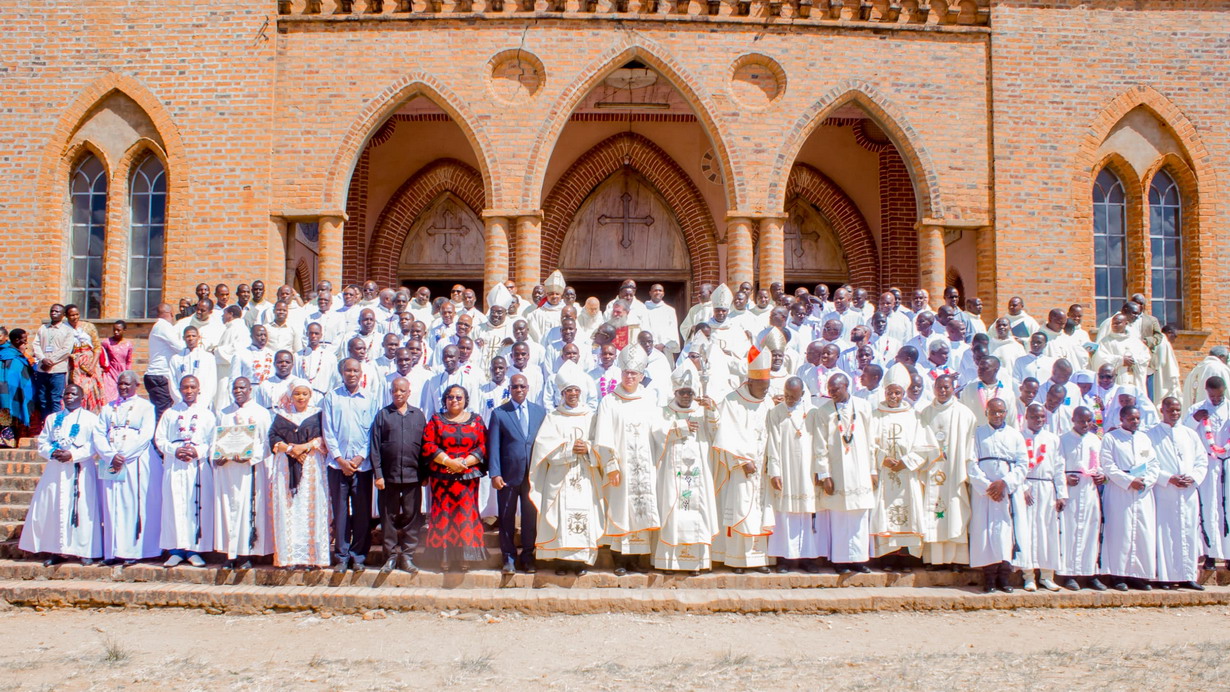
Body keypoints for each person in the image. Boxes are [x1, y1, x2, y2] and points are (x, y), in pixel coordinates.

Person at [529, 362, 605, 575]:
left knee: (584, 514)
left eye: (576, 390)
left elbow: (600, 443)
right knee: (561, 516)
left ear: (581, 392)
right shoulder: (553, 417)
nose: (572, 394)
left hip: (585, 474)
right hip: (560, 476)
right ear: (562, 393)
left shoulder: (591, 416)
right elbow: (543, 448)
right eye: (568, 390)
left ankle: (580, 562)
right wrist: (570, 449)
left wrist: (588, 448)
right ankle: (561, 561)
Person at [593, 346, 664, 575]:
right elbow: (603, 436)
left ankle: (636, 560)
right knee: (621, 509)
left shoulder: (648, 399)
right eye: (626, 373)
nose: (629, 377)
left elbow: (659, 430)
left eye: (634, 373)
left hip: (644, 466)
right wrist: (611, 466)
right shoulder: (610, 401)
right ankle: (620, 560)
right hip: (621, 468)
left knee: (641, 508)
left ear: (642, 376)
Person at [711, 335, 777, 574]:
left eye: (767, 385)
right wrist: (741, 461)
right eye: (762, 386)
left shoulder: (767, 401)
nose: (765, 390)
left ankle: (760, 559)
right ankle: (737, 560)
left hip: (763, 466)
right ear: (749, 381)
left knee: (761, 511)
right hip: (741, 468)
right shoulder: (732, 401)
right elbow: (726, 435)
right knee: (741, 509)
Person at [19, 384, 102, 565]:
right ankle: (57, 550)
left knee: (82, 509)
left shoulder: (91, 419)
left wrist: (73, 455)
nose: (69, 396)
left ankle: (84, 550)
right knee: (54, 507)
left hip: (80, 469)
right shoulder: (52, 418)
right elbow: (43, 442)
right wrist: (52, 452)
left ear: (82, 398)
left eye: (73, 393)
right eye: (66, 394)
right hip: (56, 470)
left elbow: (94, 445)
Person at [651, 363, 719, 575]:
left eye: (690, 392)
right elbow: (657, 434)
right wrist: (681, 427)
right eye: (682, 392)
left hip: (698, 472)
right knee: (673, 512)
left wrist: (712, 410)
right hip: (672, 474)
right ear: (675, 392)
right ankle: (668, 563)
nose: (686, 396)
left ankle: (696, 563)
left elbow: (715, 431)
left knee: (697, 511)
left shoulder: (701, 410)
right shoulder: (665, 411)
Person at [93, 371, 163, 565]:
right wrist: (110, 455)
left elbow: (146, 434)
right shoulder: (107, 408)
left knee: (132, 504)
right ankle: (112, 551)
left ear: (136, 385)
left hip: (134, 460)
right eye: (120, 384)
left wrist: (124, 455)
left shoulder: (146, 407)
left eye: (127, 384)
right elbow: (98, 433)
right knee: (111, 504)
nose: (123, 387)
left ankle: (133, 550)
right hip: (110, 460)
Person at [321, 358, 382, 573]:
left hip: (361, 466)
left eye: (356, 370)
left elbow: (373, 431)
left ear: (361, 372)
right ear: (342, 373)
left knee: (362, 513)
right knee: (340, 513)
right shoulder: (331, 397)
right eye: (348, 370)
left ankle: (359, 556)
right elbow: (327, 430)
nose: (352, 374)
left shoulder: (370, 398)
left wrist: (359, 458)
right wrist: (339, 458)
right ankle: (341, 556)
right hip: (337, 465)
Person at [870, 377, 938, 568]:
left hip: (907, 473)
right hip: (884, 472)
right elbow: (867, 443)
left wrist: (907, 462)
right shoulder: (875, 416)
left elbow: (925, 445)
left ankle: (906, 558)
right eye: (890, 392)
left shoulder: (914, 416)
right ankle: (887, 557)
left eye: (897, 392)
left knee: (909, 511)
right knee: (884, 513)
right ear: (884, 392)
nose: (893, 396)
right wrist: (882, 458)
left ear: (903, 393)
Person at [422, 384, 488, 572]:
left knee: (465, 515)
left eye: (459, 397)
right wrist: (449, 462)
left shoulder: (476, 420)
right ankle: (444, 557)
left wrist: (463, 463)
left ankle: (465, 557)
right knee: (443, 516)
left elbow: (483, 445)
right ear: (445, 400)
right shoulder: (436, 420)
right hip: (442, 479)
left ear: (465, 400)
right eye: (450, 397)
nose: (454, 400)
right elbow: (428, 444)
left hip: (467, 478)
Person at [154, 375, 217, 568]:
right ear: (179, 390)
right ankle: (175, 551)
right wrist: (175, 450)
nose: (188, 391)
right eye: (185, 387)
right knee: (174, 506)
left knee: (195, 505)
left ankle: (194, 550)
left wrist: (197, 451)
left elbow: (213, 440)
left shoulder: (207, 414)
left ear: (198, 389)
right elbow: (160, 439)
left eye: (192, 387)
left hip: (196, 466)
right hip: (175, 464)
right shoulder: (170, 413)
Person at [268, 379, 331, 569]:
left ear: (310, 395)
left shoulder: (317, 414)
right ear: (291, 395)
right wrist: (291, 450)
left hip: (311, 467)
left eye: (304, 393)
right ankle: (289, 557)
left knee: (309, 510)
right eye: (297, 393)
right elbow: (273, 438)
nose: (301, 397)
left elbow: (323, 438)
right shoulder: (282, 416)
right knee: (289, 510)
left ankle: (312, 558)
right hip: (286, 468)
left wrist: (304, 447)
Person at [488, 373, 547, 575]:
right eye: (515, 387)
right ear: (509, 389)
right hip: (508, 476)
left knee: (530, 518)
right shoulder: (499, 413)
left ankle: (528, 557)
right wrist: (495, 474)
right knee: (506, 518)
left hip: (532, 475)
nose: (519, 390)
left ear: (528, 388)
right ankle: (509, 558)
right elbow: (494, 446)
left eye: (522, 386)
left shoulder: (540, 412)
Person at [766, 377, 826, 573]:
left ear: (802, 394)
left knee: (806, 514)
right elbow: (773, 442)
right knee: (784, 513)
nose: (789, 399)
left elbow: (820, 442)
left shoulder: (813, 413)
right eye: (786, 395)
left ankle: (807, 558)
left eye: (793, 396)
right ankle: (784, 559)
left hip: (807, 470)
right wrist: (774, 471)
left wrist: (820, 469)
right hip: (785, 468)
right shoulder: (776, 412)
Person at [370, 376, 428, 575]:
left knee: (412, 517)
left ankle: (408, 556)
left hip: (413, 476)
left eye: (402, 390)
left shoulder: (418, 415)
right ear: (391, 392)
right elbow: (375, 447)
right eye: (395, 390)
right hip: (388, 477)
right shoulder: (383, 415)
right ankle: (391, 556)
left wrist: (425, 473)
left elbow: (425, 447)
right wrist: (378, 474)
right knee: (388, 518)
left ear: (409, 392)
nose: (398, 394)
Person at [213, 377, 272, 570]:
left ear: (250, 390)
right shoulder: (224, 413)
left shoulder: (261, 413)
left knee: (247, 509)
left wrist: (250, 457)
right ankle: (229, 553)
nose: (238, 391)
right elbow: (215, 438)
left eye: (242, 388)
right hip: (227, 469)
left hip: (249, 469)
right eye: (235, 388)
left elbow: (267, 442)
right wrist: (217, 456)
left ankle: (246, 553)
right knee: (228, 508)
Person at [969, 398, 1028, 593]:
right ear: (986, 412)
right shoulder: (978, 434)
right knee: (985, 533)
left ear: (1006, 413)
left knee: (1006, 534)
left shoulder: (1015, 435)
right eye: (993, 412)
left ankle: (1004, 577)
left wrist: (1005, 483)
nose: (997, 415)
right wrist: (988, 487)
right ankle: (989, 578)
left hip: (1007, 493)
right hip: (985, 494)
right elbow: (971, 462)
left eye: (1000, 412)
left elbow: (1023, 464)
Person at [1148, 396, 1207, 590]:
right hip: (1165, 492)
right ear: (1162, 411)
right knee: (1165, 532)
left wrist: (1193, 477)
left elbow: (1201, 460)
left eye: (1177, 410)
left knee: (1188, 531)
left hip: (1188, 492)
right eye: (1170, 410)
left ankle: (1187, 575)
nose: (1174, 413)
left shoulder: (1190, 434)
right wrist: (1168, 478)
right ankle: (1165, 577)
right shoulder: (1151, 435)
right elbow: (1148, 464)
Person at [1099, 405, 1159, 591]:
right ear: (1122, 419)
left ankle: (1138, 575)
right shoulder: (1111, 438)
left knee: (1142, 532)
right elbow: (1108, 465)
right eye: (1132, 418)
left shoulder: (1144, 439)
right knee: (1121, 531)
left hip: (1142, 491)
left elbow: (1153, 463)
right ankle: (1118, 575)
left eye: (1138, 418)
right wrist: (1128, 481)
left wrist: (1147, 481)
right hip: (1120, 490)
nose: (1135, 422)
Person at [918, 374, 974, 567]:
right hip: (932, 469)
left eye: (946, 387)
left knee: (955, 511)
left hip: (954, 470)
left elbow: (969, 445)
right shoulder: (926, 413)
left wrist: (964, 467)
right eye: (939, 387)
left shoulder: (964, 413)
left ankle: (956, 559)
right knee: (933, 510)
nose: (942, 391)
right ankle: (933, 559)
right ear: (934, 388)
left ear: (953, 388)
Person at [1017, 403, 1066, 592]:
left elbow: (1059, 467)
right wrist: (1023, 487)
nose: (1038, 420)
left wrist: (1061, 494)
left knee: (1047, 531)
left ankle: (1047, 575)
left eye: (1041, 417)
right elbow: (1016, 465)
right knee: (1027, 531)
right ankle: (1028, 576)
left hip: (1047, 488)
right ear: (1027, 417)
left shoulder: (1053, 439)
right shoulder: (1019, 437)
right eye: (1034, 417)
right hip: (1027, 488)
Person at [1055, 407, 1106, 590]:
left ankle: (1090, 573)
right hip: (1072, 491)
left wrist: (1102, 475)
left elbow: (1102, 464)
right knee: (1070, 530)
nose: (1085, 424)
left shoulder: (1095, 440)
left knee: (1091, 530)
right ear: (1073, 420)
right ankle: (1068, 574)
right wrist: (1064, 479)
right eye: (1081, 421)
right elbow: (1056, 466)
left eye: (1088, 421)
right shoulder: (1063, 440)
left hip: (1090, 489)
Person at [32, 304, 74, 419]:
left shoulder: (67, 330)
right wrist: (43, 359)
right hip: (42, 370)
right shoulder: (43, 328)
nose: (53, 313)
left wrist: (51, 361)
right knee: (43, 399)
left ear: (63, 314)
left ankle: (56, 424)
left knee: (55, 399)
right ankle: (45, 423)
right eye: (52, 311)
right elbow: (36, 345)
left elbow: (66, 350)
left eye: (57, 311)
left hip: (58, 370)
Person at [144, 303, 183, 423]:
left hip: (156, 375)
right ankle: (158, 435)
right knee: (163, 413)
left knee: (161, 411)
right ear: (171, 313)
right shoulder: (164, 326)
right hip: (159, 376)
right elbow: (179, 347)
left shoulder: (158, 326)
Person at [63, 305, 106, 412]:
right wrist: (73, 357)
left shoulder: (89, 326)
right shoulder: (63, 329)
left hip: (90, 362)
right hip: (74, 365)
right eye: (72, 315)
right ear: (66, 316)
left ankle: (93, 413)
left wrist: (92, 366)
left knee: (92, 389)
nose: (75, 317)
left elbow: (97, 347)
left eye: (77, 314)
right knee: (79, 389)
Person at [0, 328, 34, 447]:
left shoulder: (12, 353)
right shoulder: (8, 352)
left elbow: (17, 371)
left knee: (8, 411)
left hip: (9, 389)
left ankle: (7, 440)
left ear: (6, 337)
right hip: (2, 387)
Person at [169, 326, 217, 406]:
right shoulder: (176, 359)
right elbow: (172, 383)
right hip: (181, 403)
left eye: (193, 336)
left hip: (202, 403)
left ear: (199, 337)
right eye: (188, 336)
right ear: (183, 338)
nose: (191, 338)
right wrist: (181, 401)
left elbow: (211, 383)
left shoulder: (208, 357)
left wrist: (202, 403)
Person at [99, 320, 132, 404]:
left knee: (122, 396)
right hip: (110, 373)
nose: (116, 332)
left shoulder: (128, 344)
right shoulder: (106, 343)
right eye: (114, 330)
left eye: (118, 330)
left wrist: (128, 374)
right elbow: (101, 356)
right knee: (110, 395)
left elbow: (128, 361)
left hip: (122, 372)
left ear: (124, 330)